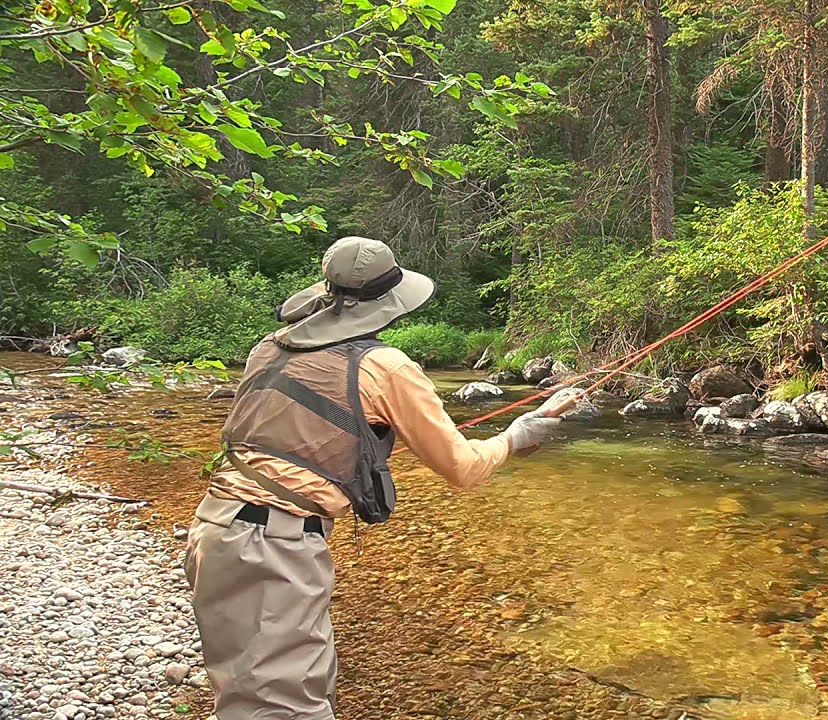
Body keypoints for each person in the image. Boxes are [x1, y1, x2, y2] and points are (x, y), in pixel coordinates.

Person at [184, 236, 561, 720]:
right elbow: (463, 468)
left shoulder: (268, 349)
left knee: (260, 691)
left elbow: (292, 438)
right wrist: (516, 435)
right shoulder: (386, 367)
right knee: (287, 708)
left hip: (216, 530)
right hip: (272, 548)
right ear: (390, 304)